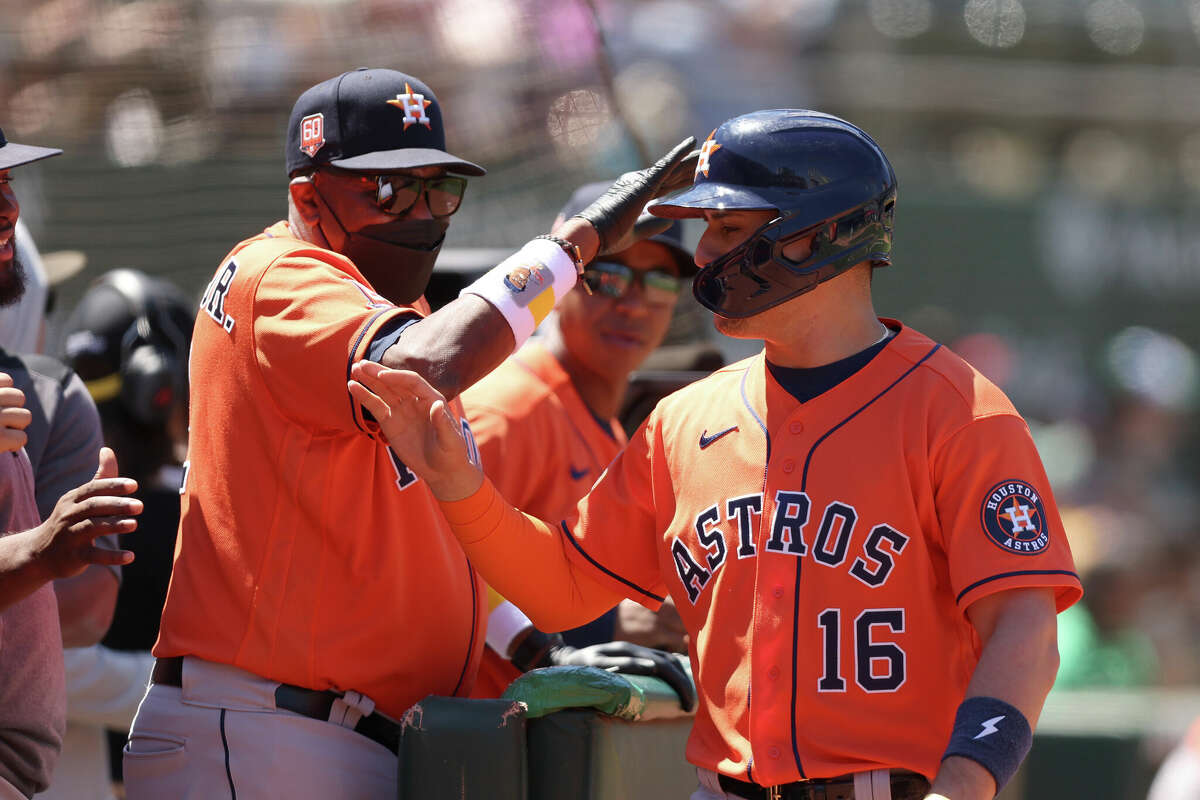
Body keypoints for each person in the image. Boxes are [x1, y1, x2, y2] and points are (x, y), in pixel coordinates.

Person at [350, 109, 1084, 800]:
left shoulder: (960, 412)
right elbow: (561, 590)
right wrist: (458, 484)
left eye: (727, 227)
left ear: (821, 233)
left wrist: (967, 783)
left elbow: (1023, 626)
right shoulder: (683, 419)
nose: (702, 255)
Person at [124, 67, 697, 799]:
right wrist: (572, 248)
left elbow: (435, 540)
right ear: (307, 196)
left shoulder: (392, 307)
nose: (423, 211)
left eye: (440, 188)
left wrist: (537, 649)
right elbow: (429, 362)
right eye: (389, 190)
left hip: (340, 733)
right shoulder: (282, 275)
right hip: (271, 726)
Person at [464, 180, 694, 698]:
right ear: (561, 281)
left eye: (658, 282)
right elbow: (429, 568)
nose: (634, 304)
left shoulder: (609, 427)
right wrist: (604, 625)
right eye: (609, 277)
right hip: (461, 742)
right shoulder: (509, 409)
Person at [0, 126, 143, 800]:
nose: (8, 210)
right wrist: (37, 552)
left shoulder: (48, 399)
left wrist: (57, 553)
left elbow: (86, 612)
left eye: (6, 184)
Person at [60, 268, 195, 791]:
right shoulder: (193, 516)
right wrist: (201, 694)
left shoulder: (39, 508)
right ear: (157, 391)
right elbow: (64, 672)